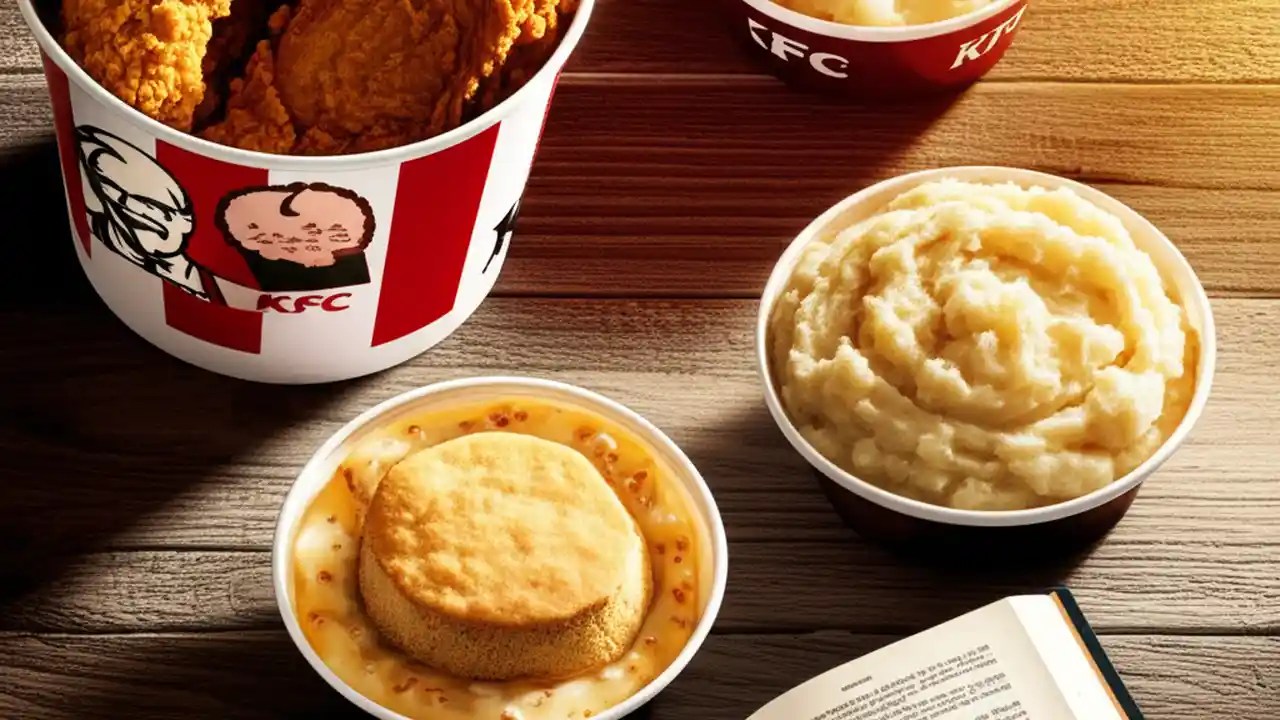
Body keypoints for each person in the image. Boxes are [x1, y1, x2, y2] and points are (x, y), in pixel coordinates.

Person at [76, 125, 223, 302]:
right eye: (118, 203)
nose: (139, 214)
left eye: (154, 207)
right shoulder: (107, 243)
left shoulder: (223, 286)